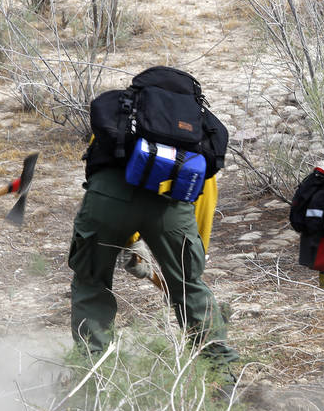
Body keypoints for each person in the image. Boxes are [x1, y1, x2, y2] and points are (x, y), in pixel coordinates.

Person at [67, 74, 239, 380]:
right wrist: (191, 262)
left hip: (108, 201)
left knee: (91, 284)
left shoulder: (123, 110)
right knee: (189, 287)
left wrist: (129, 240)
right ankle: (221, 377)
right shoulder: (197, 128)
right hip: (171, 207)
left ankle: (92, 377)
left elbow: (97, 168)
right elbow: (204, 195)